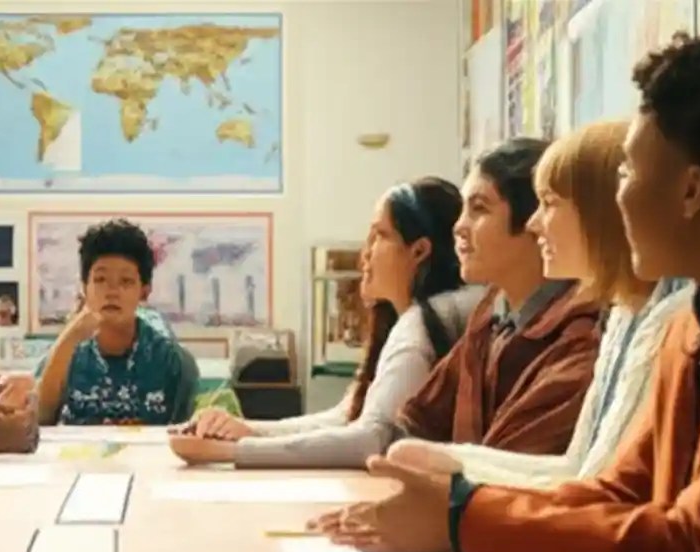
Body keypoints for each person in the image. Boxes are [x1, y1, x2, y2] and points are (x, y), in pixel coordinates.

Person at [319, 28, 700, 552]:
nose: (618, 192)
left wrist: (464, 518)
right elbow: (619, 489)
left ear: (692, 191)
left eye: (627, 168)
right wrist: (463, 509)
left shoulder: (649, 325)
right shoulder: (690, 329)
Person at [400, 121, 691, 487]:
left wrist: (455, 496)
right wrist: (436, 461)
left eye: (549, 204)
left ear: (597, 210)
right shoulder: (618, 316)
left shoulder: (626, 325)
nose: (535, 223)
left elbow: (599, 485)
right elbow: (580, 469)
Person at [170, 177, 485, 467]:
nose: (366, 253)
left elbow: (368, 440)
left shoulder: (421, 326)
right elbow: (345, 417)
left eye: (380, 236)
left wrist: (229, 452)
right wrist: (245, 430)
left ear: (419, 251)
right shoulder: (410, 320)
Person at [394, 138, 601, 454]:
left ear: (534, 222)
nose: (459, 227)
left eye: (479, 209)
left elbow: (507, 467)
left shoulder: (579, 336)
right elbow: (418, 422)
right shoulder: (492, 316)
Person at [35, 219, 199, 426]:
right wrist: (69, 337)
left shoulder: (172, 361)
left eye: (126, 282)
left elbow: (187, 434)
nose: (112, 292)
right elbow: (38, 422)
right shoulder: (63, 355)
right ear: (85, 288)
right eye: (100, 280)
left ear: (144, 292)